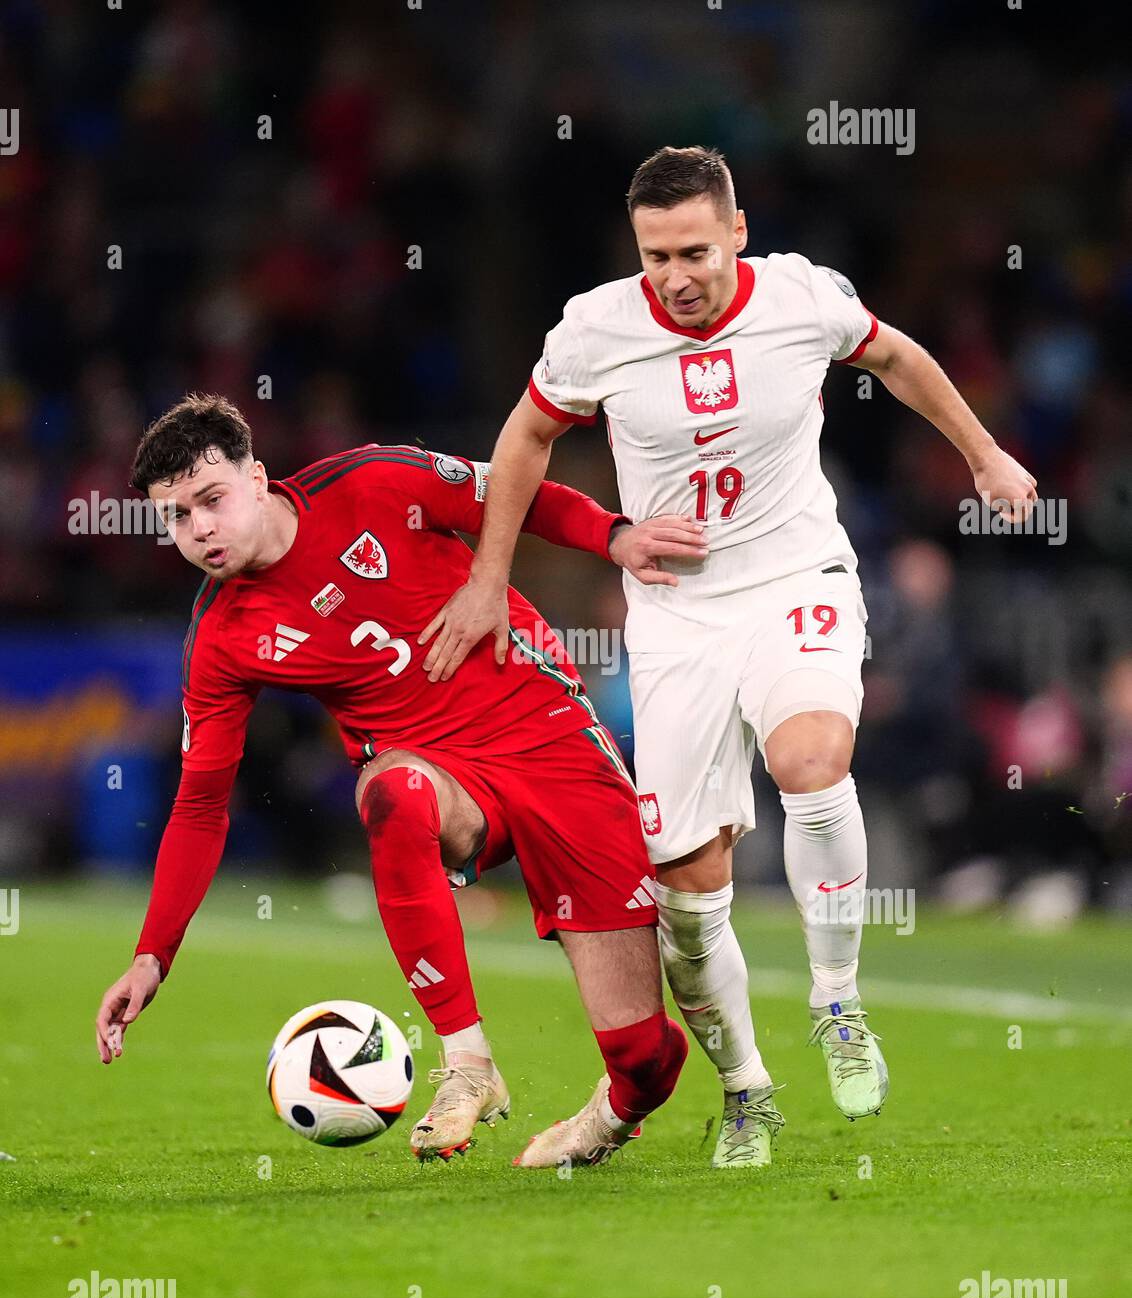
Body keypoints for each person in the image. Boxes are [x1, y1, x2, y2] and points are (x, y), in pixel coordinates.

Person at [419, 145, 1040, 1168]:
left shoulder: (800, 296)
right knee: (687, 884)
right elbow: (524, 439)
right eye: (657, 255)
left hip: (797, 577)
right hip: (675, 618)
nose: (678, 274)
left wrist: (983, 453)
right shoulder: (594, 329)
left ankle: (837, 1002)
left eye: (696, 250)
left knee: (810, 761)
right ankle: (747, 1089)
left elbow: (895, 357)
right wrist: (490, 578)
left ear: (737, 233)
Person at [94, 393, 701, 1168]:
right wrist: (153, 954)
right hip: (435, 774)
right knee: (392, 793)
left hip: (545, 737)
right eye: (177, 518)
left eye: (211, 500)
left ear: (258, 478)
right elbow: (202, 804)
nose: (199, 529)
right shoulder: (223, 638)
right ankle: (468, 1062)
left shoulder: (374, 482)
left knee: (645, 1057)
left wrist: (613, 537)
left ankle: (611, 1114)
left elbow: (520, 494)